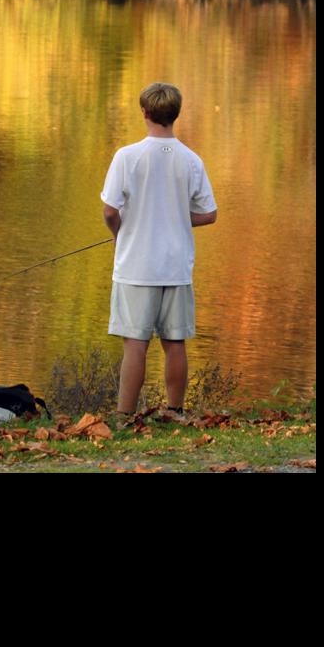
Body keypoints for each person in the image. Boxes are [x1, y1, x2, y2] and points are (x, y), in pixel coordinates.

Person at [99, 82, 218, 416]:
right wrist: (177, 217)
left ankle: (123, 417)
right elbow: (209, 214)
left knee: (135, 345)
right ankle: (174, 411)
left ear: (145, 113)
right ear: (175, 115)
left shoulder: (127, 156)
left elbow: (110, 211)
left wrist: (118, 234)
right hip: (176, 267)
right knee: (174, 342)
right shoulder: (191, 160)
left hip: (136, 266)